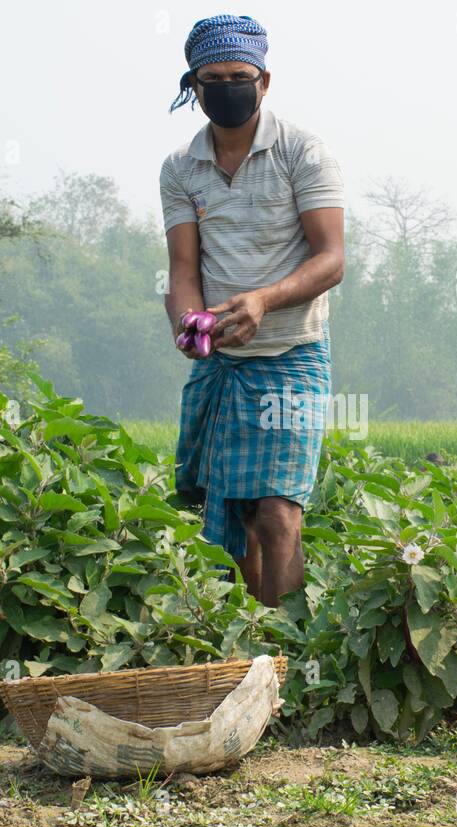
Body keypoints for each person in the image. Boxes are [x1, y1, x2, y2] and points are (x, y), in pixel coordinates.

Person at [159, 13, 345, 606]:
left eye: (239, 75)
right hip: (224, 364)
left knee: (277, 512)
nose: (227, 87)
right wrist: (189, 324)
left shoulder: (303, 152)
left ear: (264, 81)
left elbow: (331, 258)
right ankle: (249, 645)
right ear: (193, 85)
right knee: (232, 521)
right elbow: (184, 271)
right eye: (212, 77)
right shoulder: (179, 168)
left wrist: (263, 299)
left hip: (291, 355)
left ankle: (290, 653)